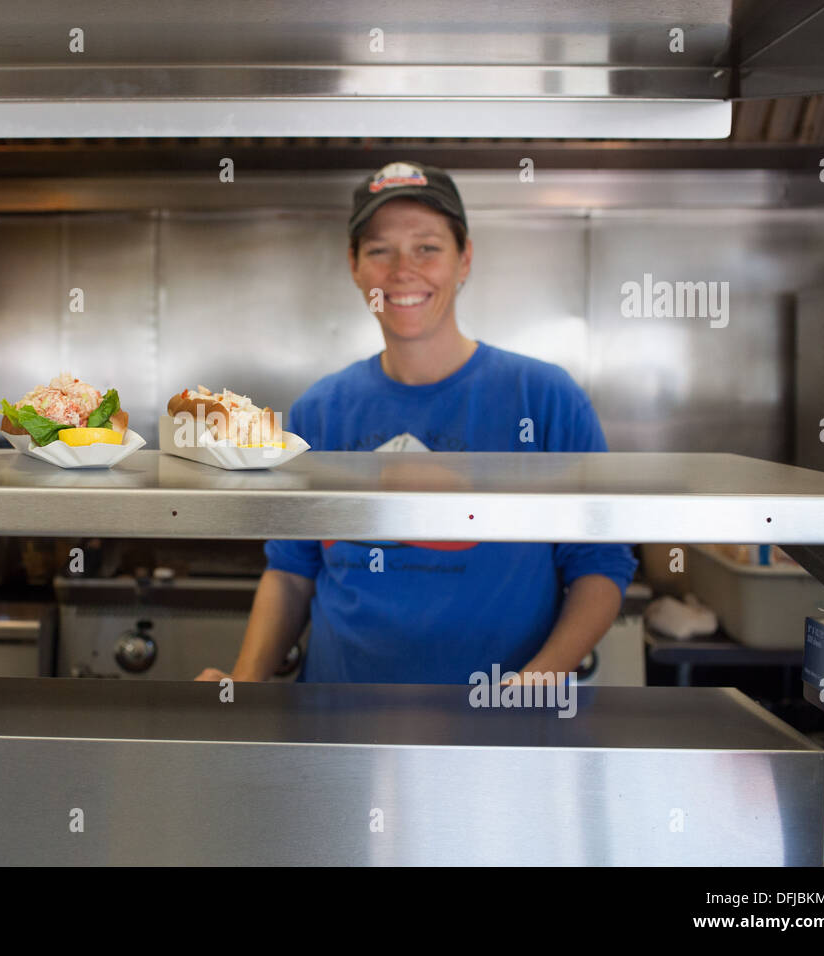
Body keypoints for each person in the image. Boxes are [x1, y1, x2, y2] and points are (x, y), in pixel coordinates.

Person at [196, 161, 638, 685]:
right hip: (339, 725)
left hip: (501, 731)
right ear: (355, 266)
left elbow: (601, 562)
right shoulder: (321, 409)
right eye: (379, 250)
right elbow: (293, 570)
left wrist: (537, 680)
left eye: (427, 247)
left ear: (464, 259)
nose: (402, 270)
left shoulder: (544, 398)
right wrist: (244, 684)